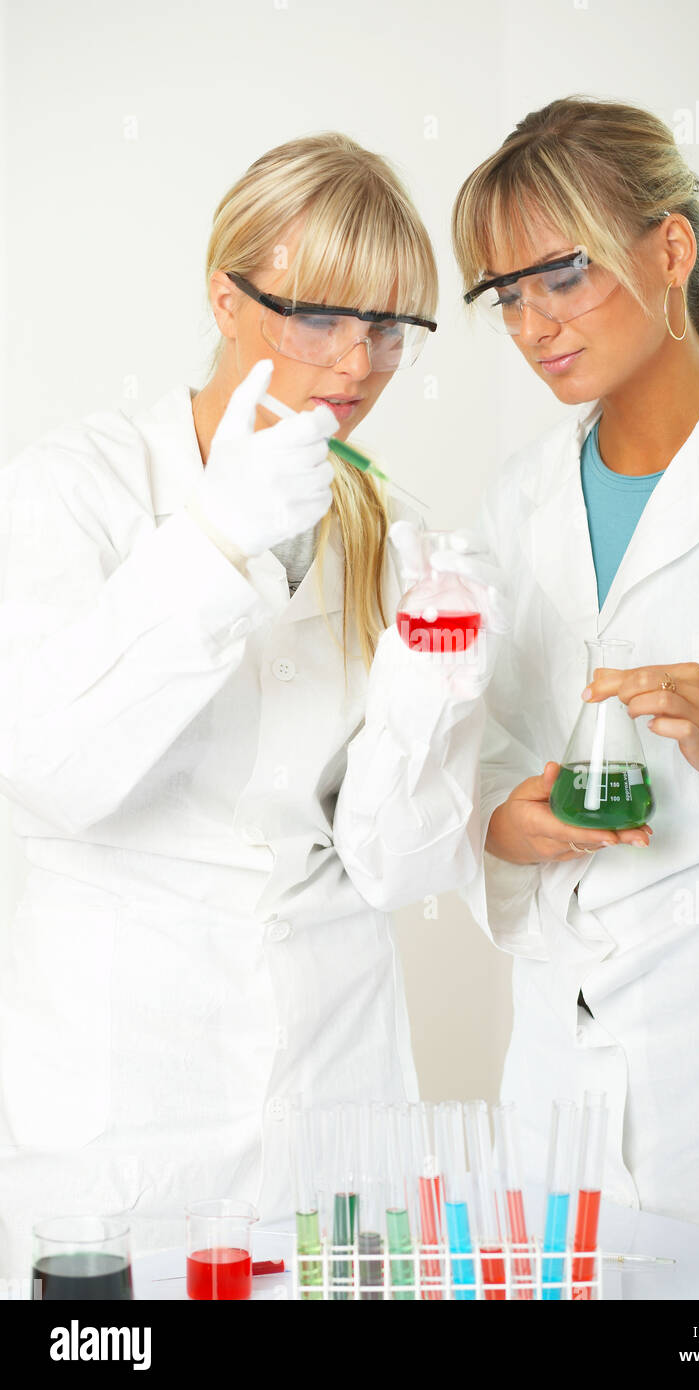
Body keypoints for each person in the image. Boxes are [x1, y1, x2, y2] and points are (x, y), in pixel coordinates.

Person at [0, 132, 495, 1278]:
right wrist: (216, 544)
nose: (358, 363)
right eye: (319, 316)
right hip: (129, 1090)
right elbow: (47, 762)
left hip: (334, 1074)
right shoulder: (74, 490)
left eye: (390, 329)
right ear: (226, 298)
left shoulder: (386, 525)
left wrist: (436, 677)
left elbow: (396, 865)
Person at [447, 96, 699, 1260]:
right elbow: (483, 776)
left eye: (562, 275)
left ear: (670, 248)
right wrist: (505, 823)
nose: (534, 323)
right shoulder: (516, 506)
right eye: (506, 294)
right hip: (563, 1094)